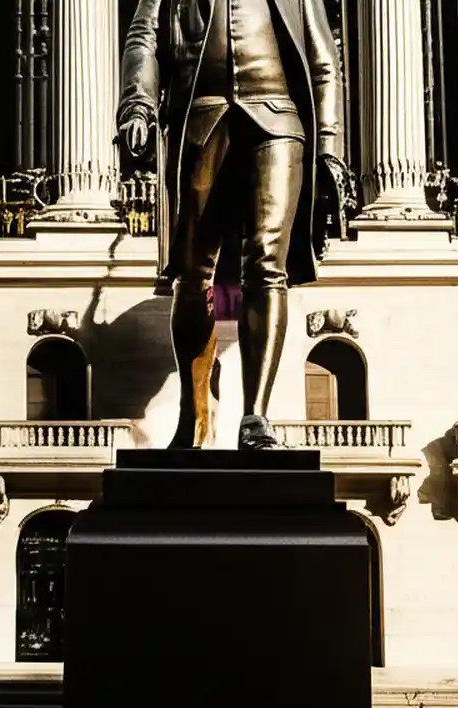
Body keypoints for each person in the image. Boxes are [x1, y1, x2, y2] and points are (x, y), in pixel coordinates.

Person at [118, 0, 350, 450]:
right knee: (191, 271)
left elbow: (324, 64)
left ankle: (256, 418)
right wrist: (137, 105)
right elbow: (143, 37)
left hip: (278, 120)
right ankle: (194, 413)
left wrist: (329, 148)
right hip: (202, 115)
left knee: (267, 266)